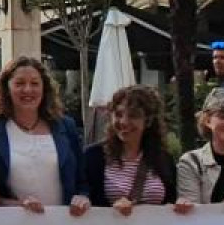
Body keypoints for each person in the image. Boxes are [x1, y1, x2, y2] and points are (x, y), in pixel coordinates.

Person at [0, 57, 83, 212]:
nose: (28, 90)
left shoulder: (66, 127)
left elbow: (82, 180)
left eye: (35, 83)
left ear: (44, 88)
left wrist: (82, 197)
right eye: (19, 83)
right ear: (6, 88)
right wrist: (14, 205)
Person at [75, 85, 178, 213]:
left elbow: (172, 201)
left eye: (133, 115)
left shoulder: (164, 159)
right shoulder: (93, 156)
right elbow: (85, 197)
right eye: (118, 114)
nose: (124, 121)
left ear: (149, 121)